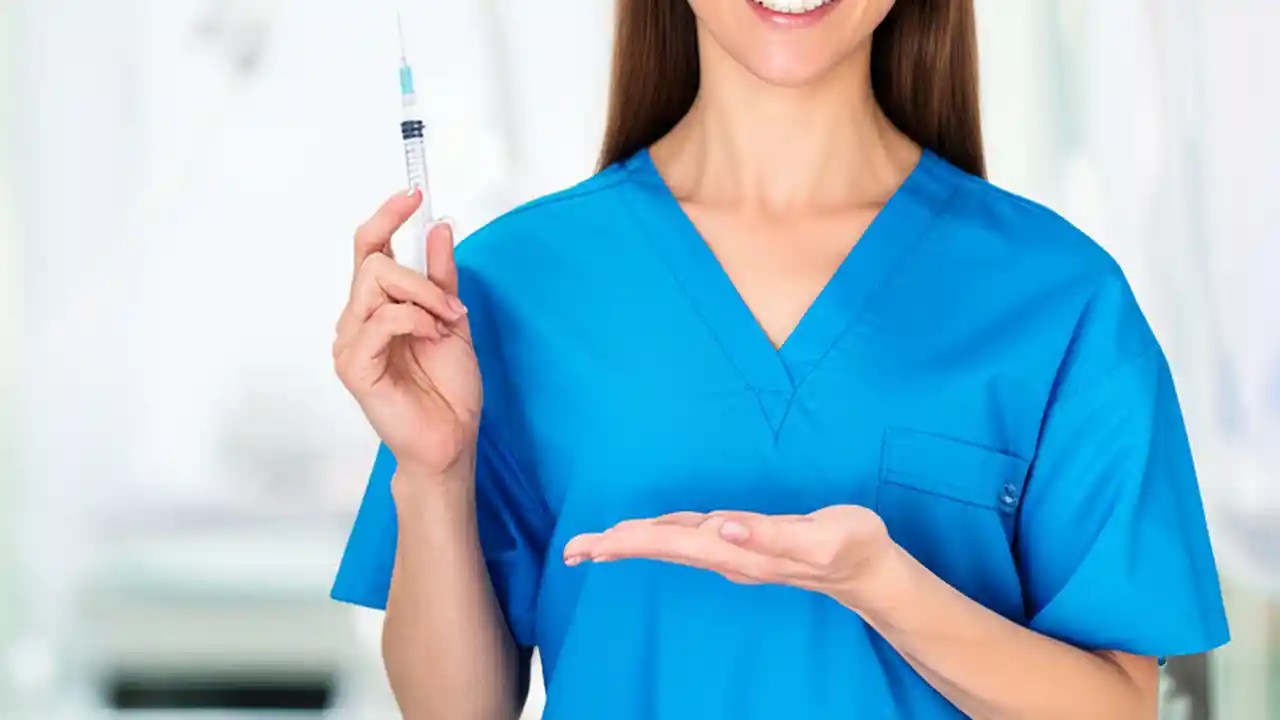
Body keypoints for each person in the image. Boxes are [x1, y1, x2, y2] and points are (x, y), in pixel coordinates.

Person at [329, 0, 1230, 717]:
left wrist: (884, 587)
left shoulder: (1059, 299)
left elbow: (1119, 707)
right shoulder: (507, 288)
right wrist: (432, 472)